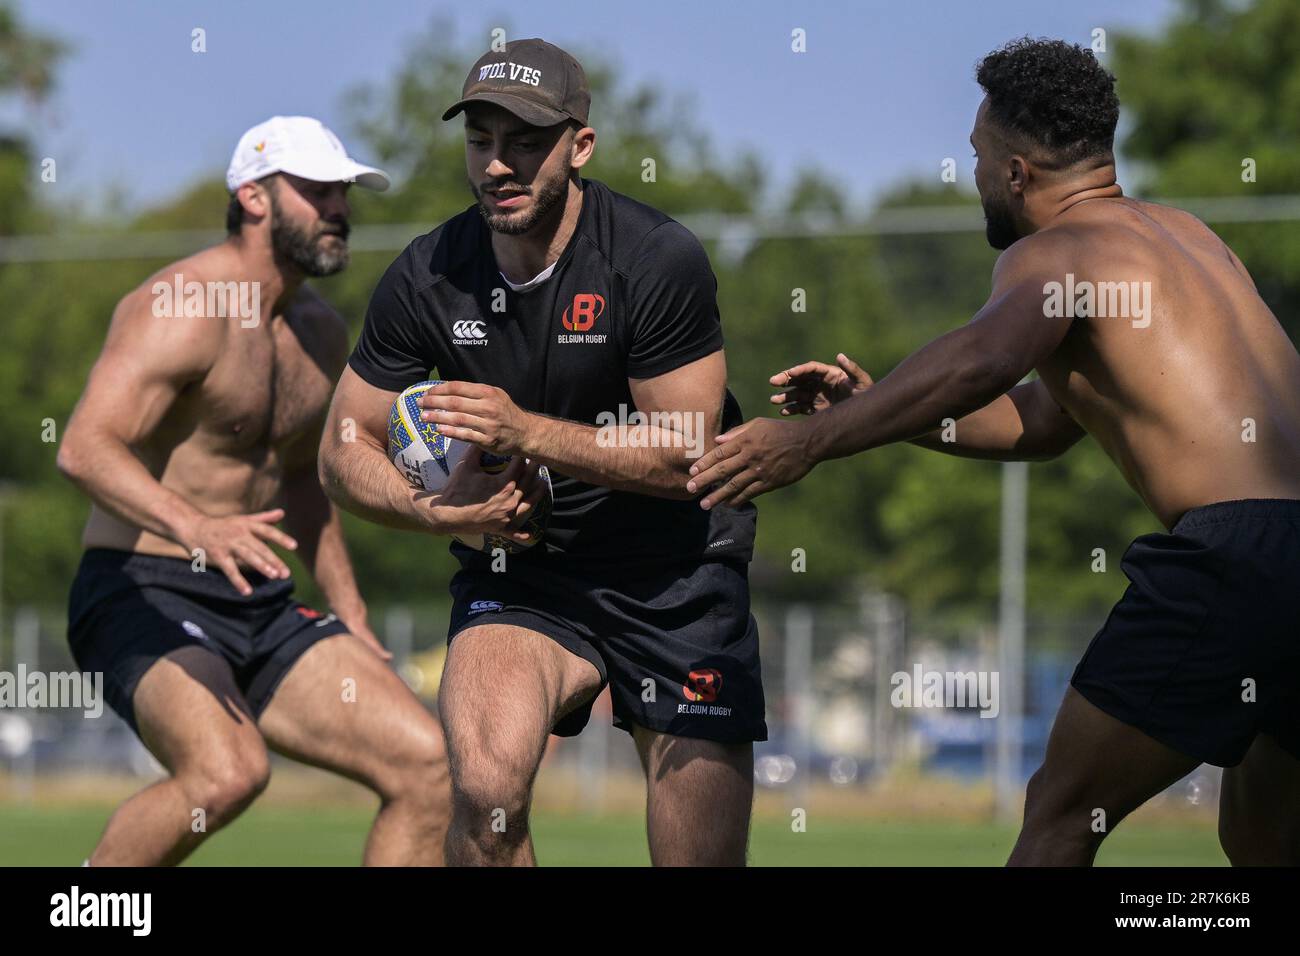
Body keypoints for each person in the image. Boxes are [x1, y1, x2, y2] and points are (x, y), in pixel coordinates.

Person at [687, 38, 1300, 866]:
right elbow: (1043, 420)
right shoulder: (1190, 239)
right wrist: (877, 410)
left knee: (1060, 813)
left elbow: (982, 359)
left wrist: (809, 442)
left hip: (1239, 555)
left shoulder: (1057, 251)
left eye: (975, 156)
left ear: (1015, 173)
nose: (972, 174)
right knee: (1264, 839)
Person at [320, 39, 764, 866]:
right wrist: (433, 509)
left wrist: (525, 431)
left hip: (678, 569)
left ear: (580, 146)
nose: (498, 165)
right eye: (481, 141)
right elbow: (343, 445)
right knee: (486, 800)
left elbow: (689, 454)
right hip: (526, 571)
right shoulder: (427, 273)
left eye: (525, 142)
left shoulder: (650, 257)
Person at [59, 116, 449, 866]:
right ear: (254, 197)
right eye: (316, 191)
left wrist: (352, 610)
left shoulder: (319, 332)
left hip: (258, 596)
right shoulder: (179, 306)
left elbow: (304, 478)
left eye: (342, 192)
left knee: (430, 765)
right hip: (142, 586)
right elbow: (83, 447)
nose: (337, 208)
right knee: (227, 772)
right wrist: (195, 527)